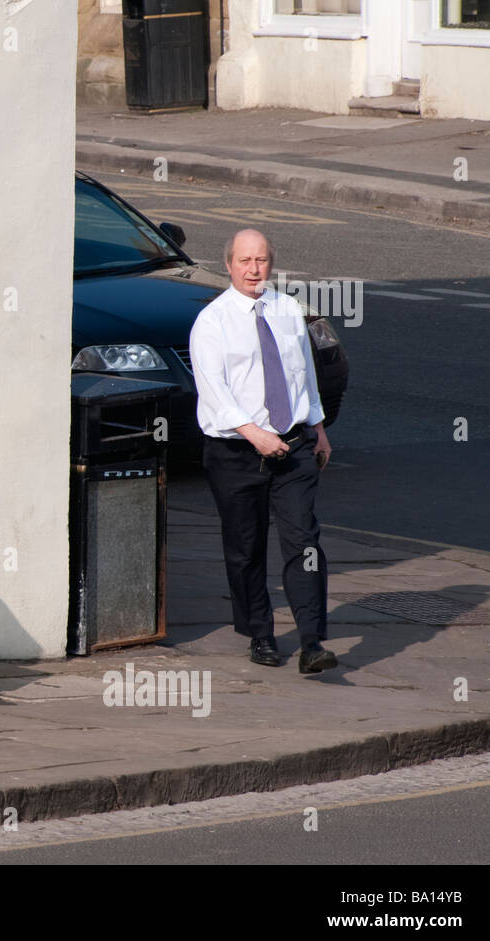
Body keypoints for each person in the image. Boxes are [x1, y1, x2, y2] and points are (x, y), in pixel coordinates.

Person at [188, 229, 337, 675]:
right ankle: (261, 634)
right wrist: (254, 434)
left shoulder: (288, 309)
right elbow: (214, 390)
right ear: (229, 264)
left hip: (291, 448)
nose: (254, 270)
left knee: (303, 540)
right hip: (236, 452)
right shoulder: (212, 321)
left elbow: (303, 372)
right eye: (244, 261)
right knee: (245, 547)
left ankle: (312, 642)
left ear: (271, 263)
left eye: (262, 261)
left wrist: (318, 426)